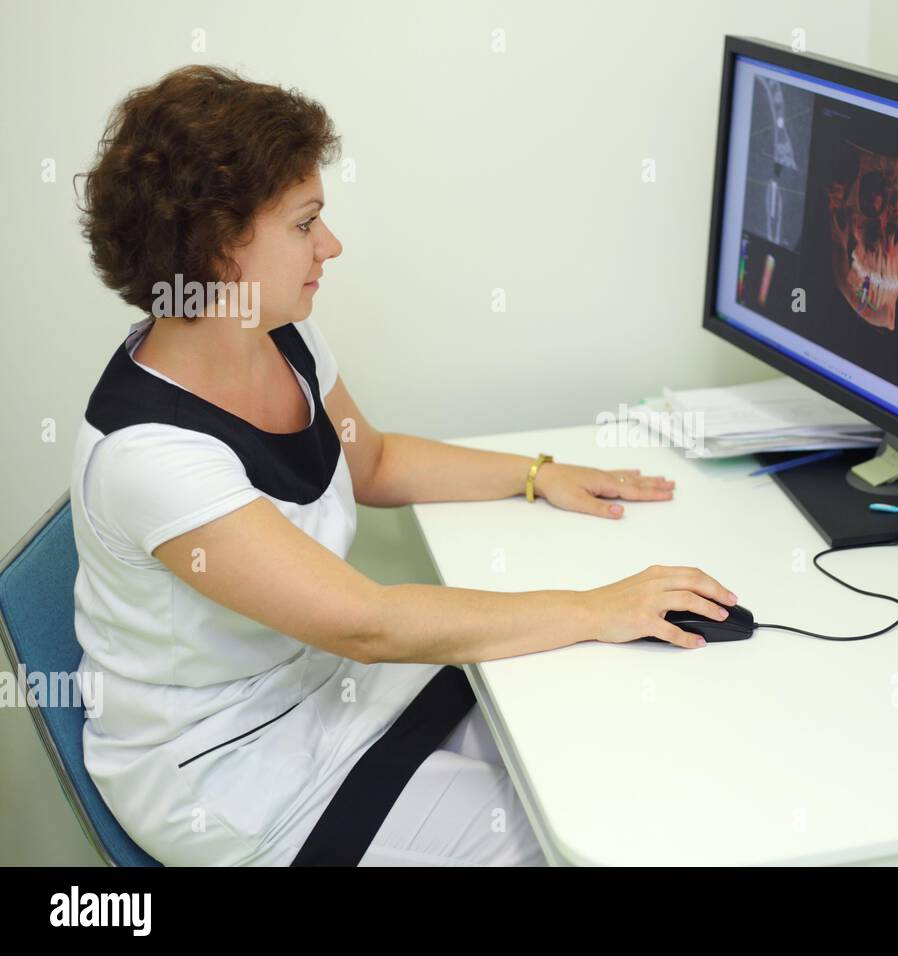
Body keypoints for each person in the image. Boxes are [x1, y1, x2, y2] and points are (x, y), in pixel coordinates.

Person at [70, 64, 738, 867]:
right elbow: (366, 623)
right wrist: (597, 605)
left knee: (588, 735)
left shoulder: (274, 331)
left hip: (324, 687)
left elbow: (374, 462)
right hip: (234, 777)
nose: (331, 245)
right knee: (550, 844)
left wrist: (536, 473)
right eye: (305, 223)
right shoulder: (151, 455)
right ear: (216, 245)